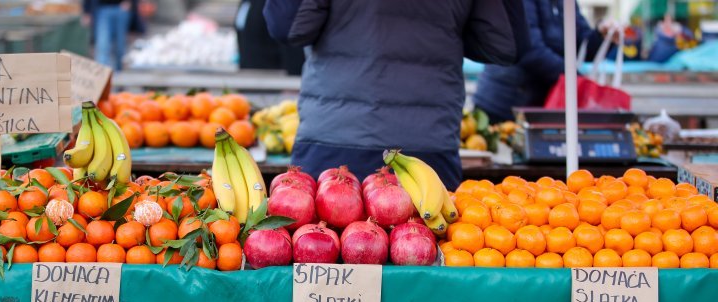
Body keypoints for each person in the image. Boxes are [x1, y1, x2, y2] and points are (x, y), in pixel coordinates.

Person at [263, 1, 529, 189]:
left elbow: (286, 26)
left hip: (334, 146)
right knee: (426, 263)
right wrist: (444, 31)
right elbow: (506, 43)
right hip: (427, 151)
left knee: (319, 253)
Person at [474, 0, 607, 123]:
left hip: (538, 108)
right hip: (503, 106)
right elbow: (530, 51)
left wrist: (602, 35)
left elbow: (581, 45)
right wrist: (576, 79)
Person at [236, 0, 304, 75]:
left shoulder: (273, 3)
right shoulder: (246, 3)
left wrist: (292, 76)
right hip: (247, 74)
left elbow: (288, 40)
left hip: (272, 76)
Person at [85, 0, 131, 71]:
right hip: (102, 9)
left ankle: (119, 71)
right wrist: (86, 11)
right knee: (103, 45)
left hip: (120, 8)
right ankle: (102, 73)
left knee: (120, 46)